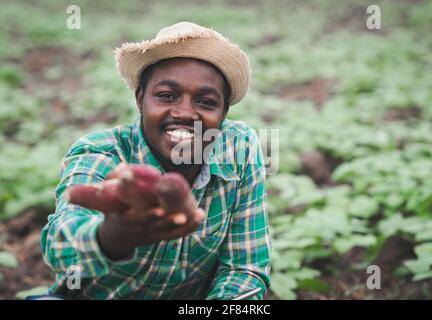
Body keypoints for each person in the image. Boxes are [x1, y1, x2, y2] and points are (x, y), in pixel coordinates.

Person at [41, 21, 271, 300]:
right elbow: (59, 244)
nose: (185, 112)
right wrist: (111, 237)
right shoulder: (102, 152)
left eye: (206, 101)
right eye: (166, 96)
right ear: (140, 99)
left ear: (223, 114)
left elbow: (244, 268)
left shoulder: (239, 148)